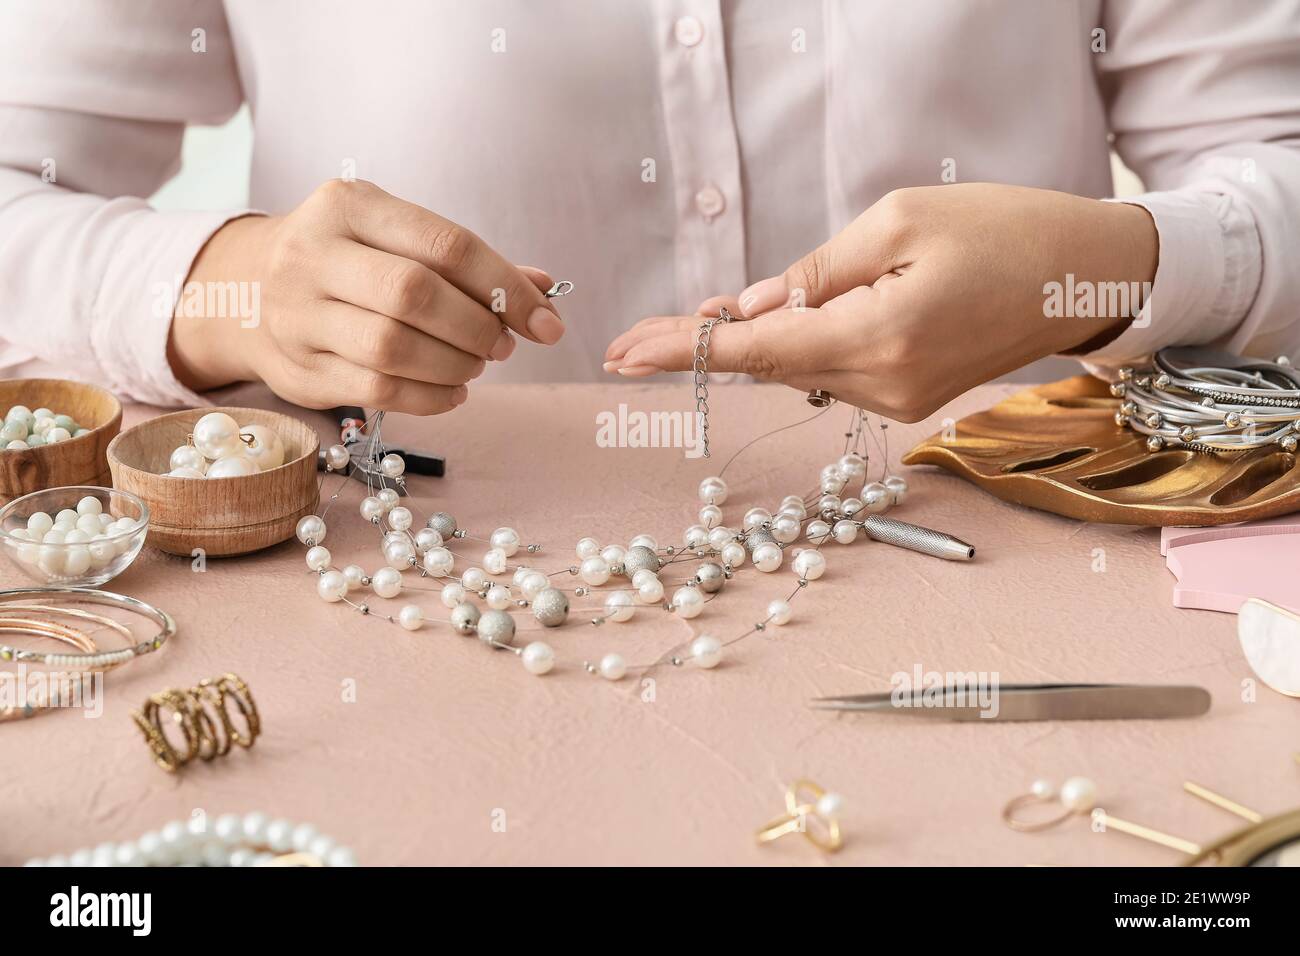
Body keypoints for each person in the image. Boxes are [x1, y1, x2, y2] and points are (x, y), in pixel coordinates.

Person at [1, 1, 1297, 422]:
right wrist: (227, 287)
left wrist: (1128, 269)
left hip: (1031, 567)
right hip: (414, 637)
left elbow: (1270, 154)